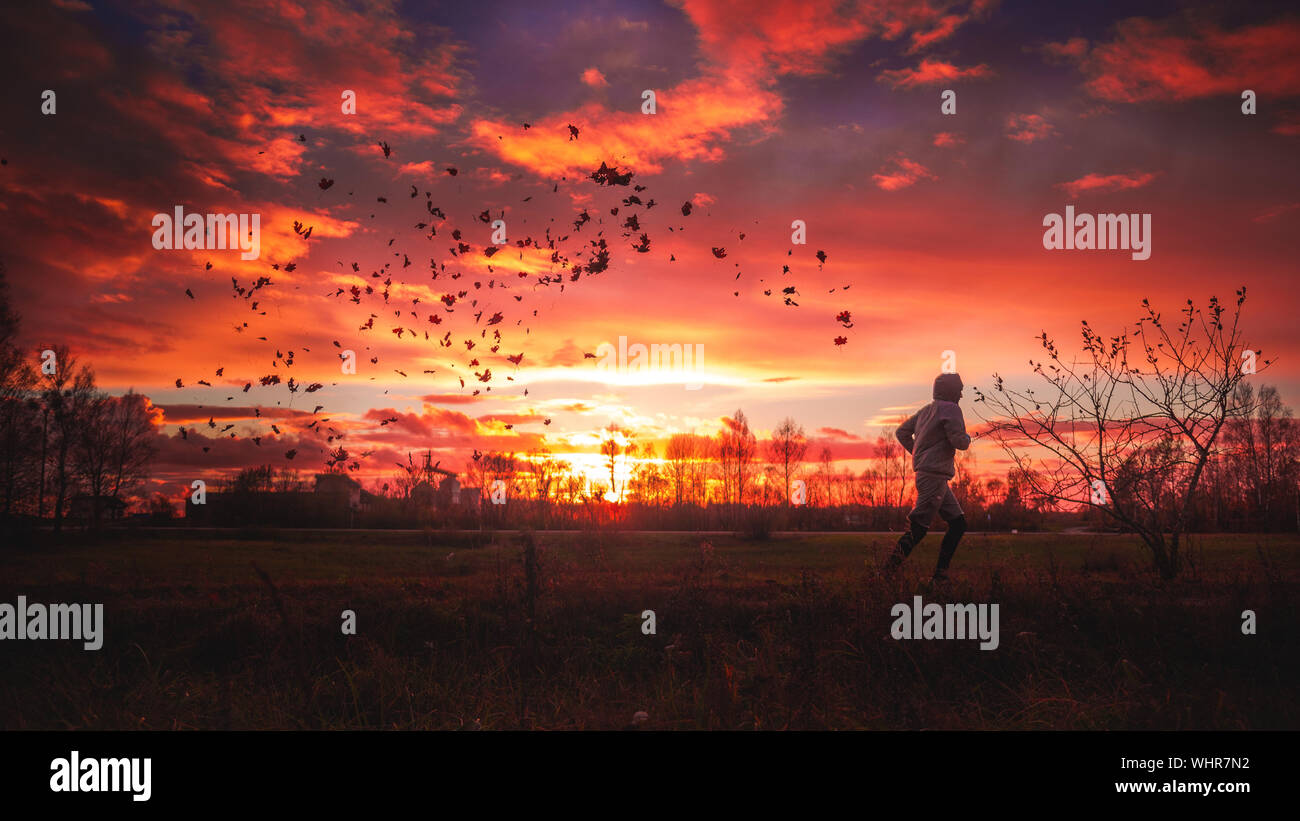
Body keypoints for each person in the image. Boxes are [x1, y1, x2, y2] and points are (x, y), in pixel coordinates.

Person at [886, 372, 971, 581]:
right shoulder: (951, 409)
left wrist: (919, 452)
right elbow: (959, 441)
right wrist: (967, 438)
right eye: (959, 389)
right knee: (918, 529)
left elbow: (901, 432)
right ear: (951, 391)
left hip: (933, 476)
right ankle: (884, 576)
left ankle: (940, 577)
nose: (961, 394)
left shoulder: (926, 411)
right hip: (934, 476)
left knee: (958, 524)